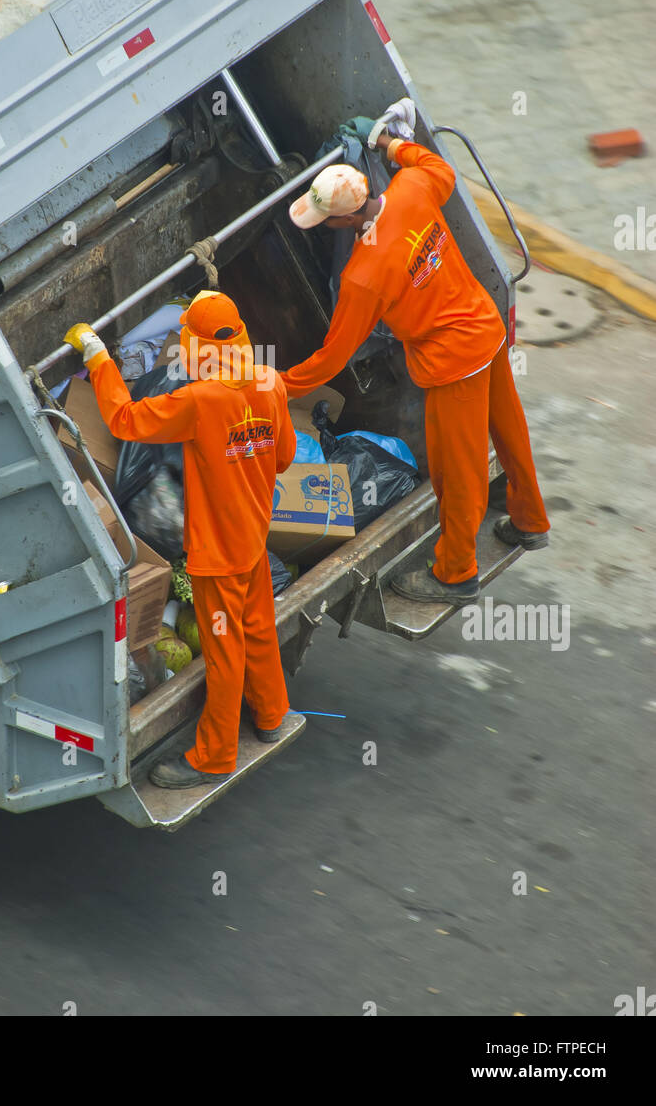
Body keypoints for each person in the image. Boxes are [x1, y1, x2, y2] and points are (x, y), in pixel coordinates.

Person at [281, 123, 550, 603]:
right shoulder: (410, 188)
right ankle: (530, 520)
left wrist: (278, 384)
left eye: (324, 220)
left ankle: (455, 572)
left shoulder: (363, 274)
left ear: (343, 222)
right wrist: (388, 143)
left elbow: (332, 357)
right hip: (486, 331)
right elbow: (437, 165)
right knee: (509, 433)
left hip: (453, 365)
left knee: (457, 470)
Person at [64, 292, 297, 788]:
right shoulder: (268, 380)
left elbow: (125, 420)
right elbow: (281, 459)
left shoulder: (200, 399)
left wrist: (98, 358)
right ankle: (273, 713)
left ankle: (215, 757)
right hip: (253, 536)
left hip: (216, 553)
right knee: (256, 625)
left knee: (223, 650)